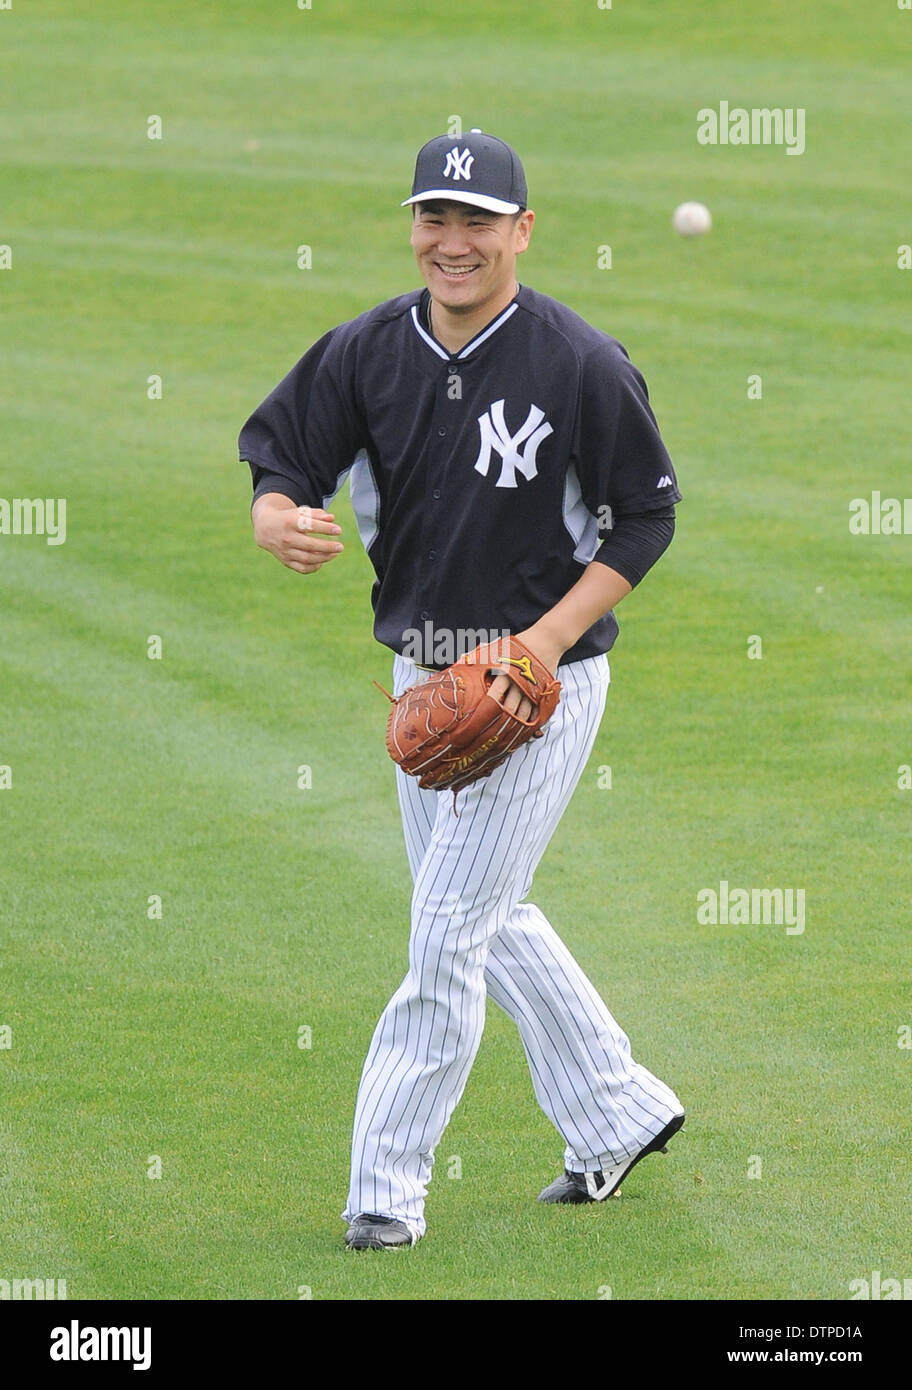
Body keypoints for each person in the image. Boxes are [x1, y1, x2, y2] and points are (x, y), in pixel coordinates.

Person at [238, 129, 685, 1251]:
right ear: (414, 225)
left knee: (443, 928)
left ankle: (384, 1191)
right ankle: (618, 1112)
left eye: (479, 222)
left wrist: (542, 642)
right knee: (486, 912)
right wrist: (277, 515)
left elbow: (646, 516)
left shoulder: (581, 362)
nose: (453, 242)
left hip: (547, 686)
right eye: (436, 218)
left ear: (521, 232)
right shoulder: (367, 350)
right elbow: (286, 449)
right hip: (424, 680)